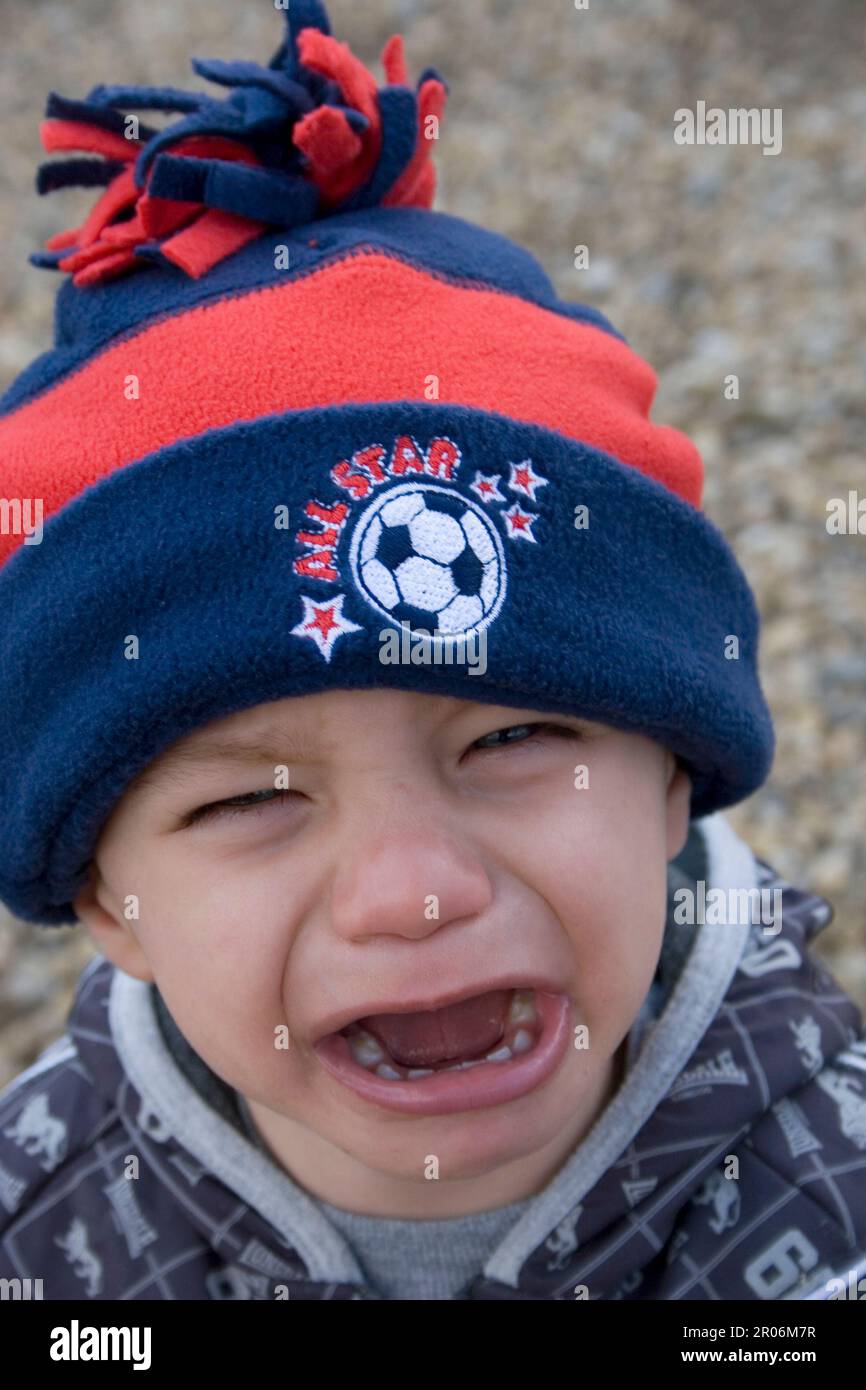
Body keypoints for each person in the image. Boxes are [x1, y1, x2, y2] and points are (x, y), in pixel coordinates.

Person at [0, 0, 863, 1301]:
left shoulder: (834, 1195)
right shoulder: (42, 1226)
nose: (412, 890)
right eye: (247, 796)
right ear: (108, 900)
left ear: (672, 777)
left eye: (511, 739)